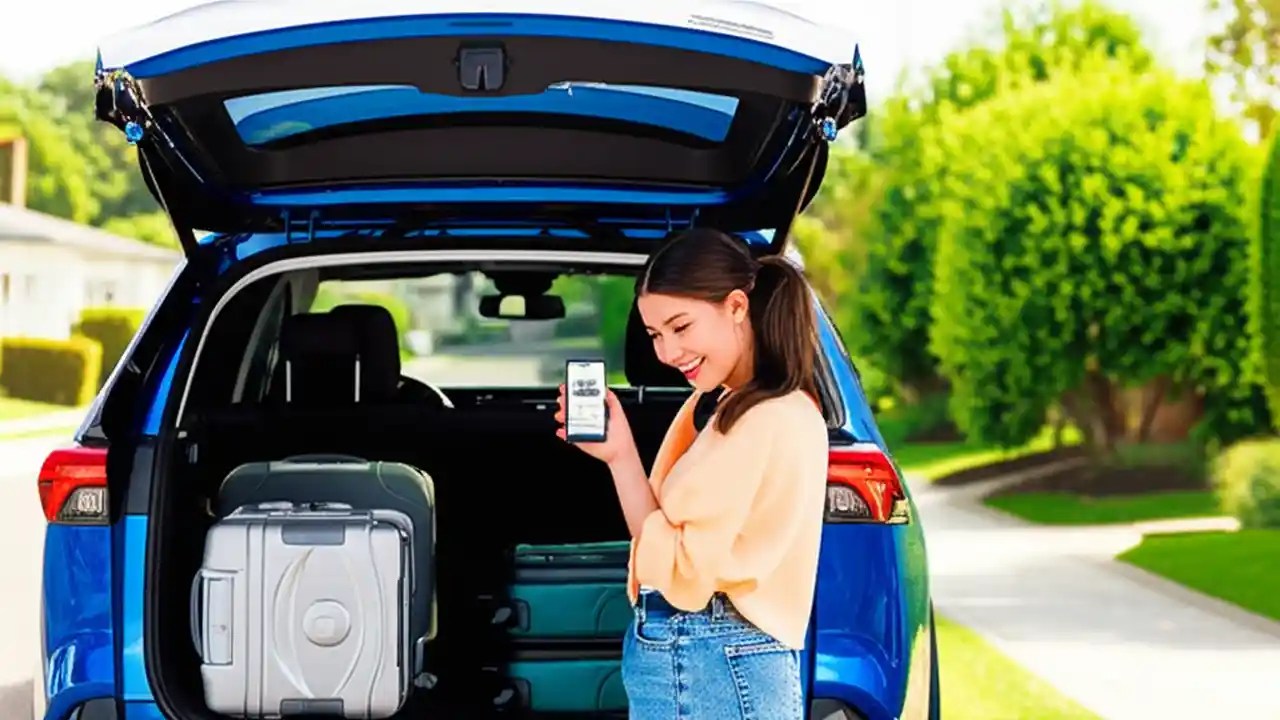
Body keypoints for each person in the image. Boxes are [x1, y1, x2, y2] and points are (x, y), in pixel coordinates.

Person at [554, 227, 830, 719]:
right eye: (656, 334)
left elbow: (679, 565)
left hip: (709, 651)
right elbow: (671, 545)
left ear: (737, 307)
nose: (667, 352)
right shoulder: (736, 406)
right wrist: (620, 454)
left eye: (681, 327)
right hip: (717, 653)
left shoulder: (760, 418)